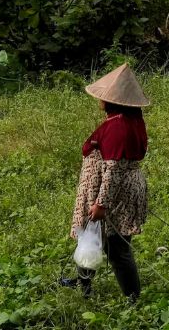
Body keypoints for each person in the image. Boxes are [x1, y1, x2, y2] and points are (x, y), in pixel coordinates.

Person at [59, 63, 150, 301]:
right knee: (90, 235)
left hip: (112, 192)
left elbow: (113, 169)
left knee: (116, 248)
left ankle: (133, 298)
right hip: (117, 189)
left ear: (114, 101)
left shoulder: (117, 126)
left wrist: (102, 203)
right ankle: (83, 283)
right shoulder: (129, 120)